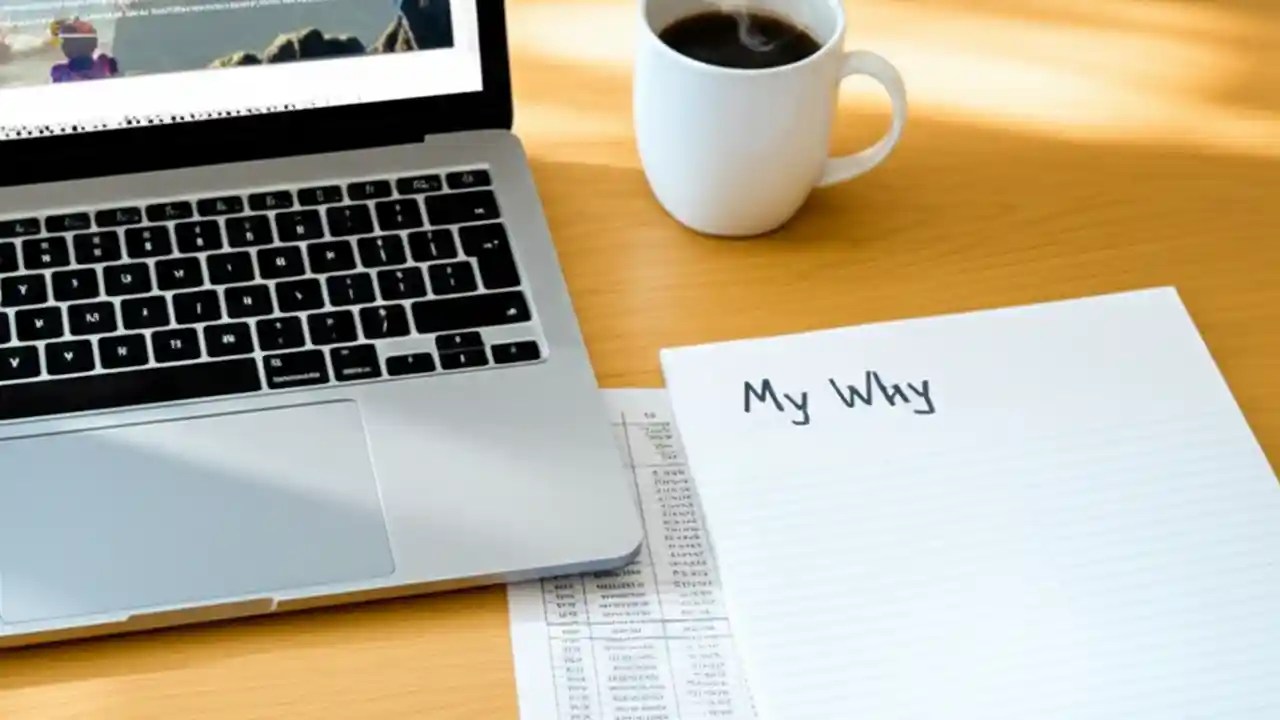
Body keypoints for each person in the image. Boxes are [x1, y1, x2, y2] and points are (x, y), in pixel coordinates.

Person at [50, 18, 119, 82]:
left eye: (62, 41)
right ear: (94, 44)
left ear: (65, 47)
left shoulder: (59, 72)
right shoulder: (106, 64)